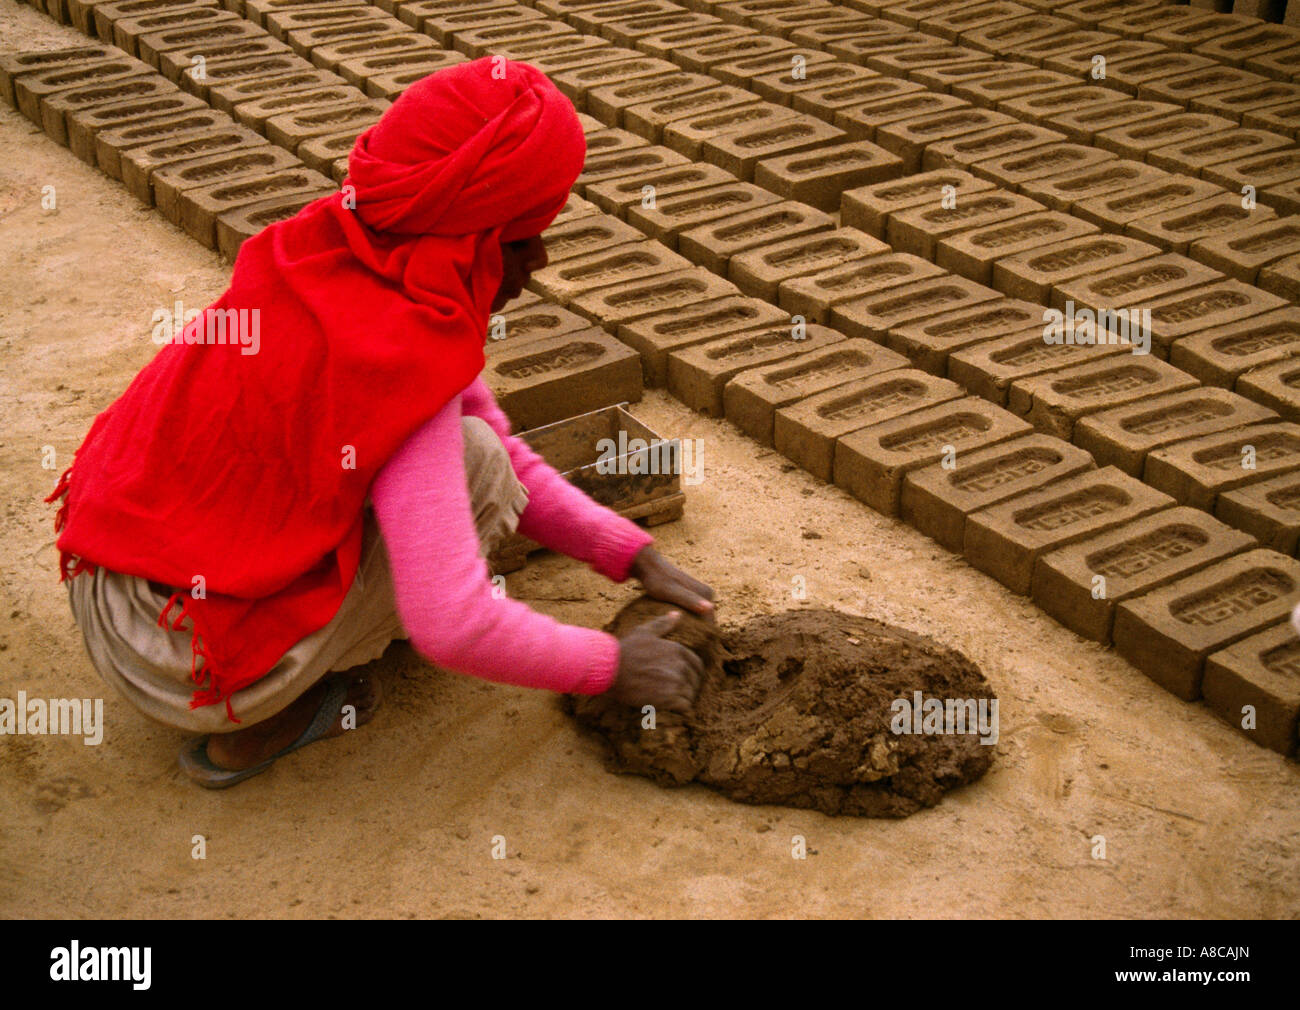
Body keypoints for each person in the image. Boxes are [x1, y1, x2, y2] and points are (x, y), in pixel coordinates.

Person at [46, 57, 712, 788]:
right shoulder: (399, 363)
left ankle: (285, 638)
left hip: (115, 577)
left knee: (473, 448)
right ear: (475, 240)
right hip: (182, 660)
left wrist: (625, 551)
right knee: (474, 467)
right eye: (522, 240)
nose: (540, 262)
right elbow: (453, 625)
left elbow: (474, 412)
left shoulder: (331, 248)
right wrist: (612, 666)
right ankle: (271, 716)